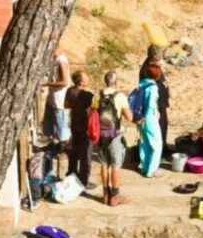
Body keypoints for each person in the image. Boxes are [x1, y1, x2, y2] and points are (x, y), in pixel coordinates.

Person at [93, 70, 134, 205]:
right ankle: (115, 197)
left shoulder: (97, 96)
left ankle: (105, 195)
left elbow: (91, 114)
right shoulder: (120, 96)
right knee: (116, 165)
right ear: (116, 82)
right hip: (114, 135)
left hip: (100, 135)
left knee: (104, 164)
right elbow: (130, 117)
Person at [65, 70, 94, 190]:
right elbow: (90, 113)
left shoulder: (69, 91)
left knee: (74, 150)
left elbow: (66, 105)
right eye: (86, 77)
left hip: (74, 124)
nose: (88, 79)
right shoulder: (87, 95)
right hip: (85, 127)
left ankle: (71, 173)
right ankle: (84, 180)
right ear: (81, 82)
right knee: (85, 153)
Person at [131, 70, 162, 177]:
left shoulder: (142, 84)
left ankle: (145, 168)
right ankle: (152, 170)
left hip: (140, 117)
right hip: (149, 117)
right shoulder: (153, 86)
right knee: (157, 144)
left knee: (145, 143)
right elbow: (151, 102)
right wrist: (154, 113)